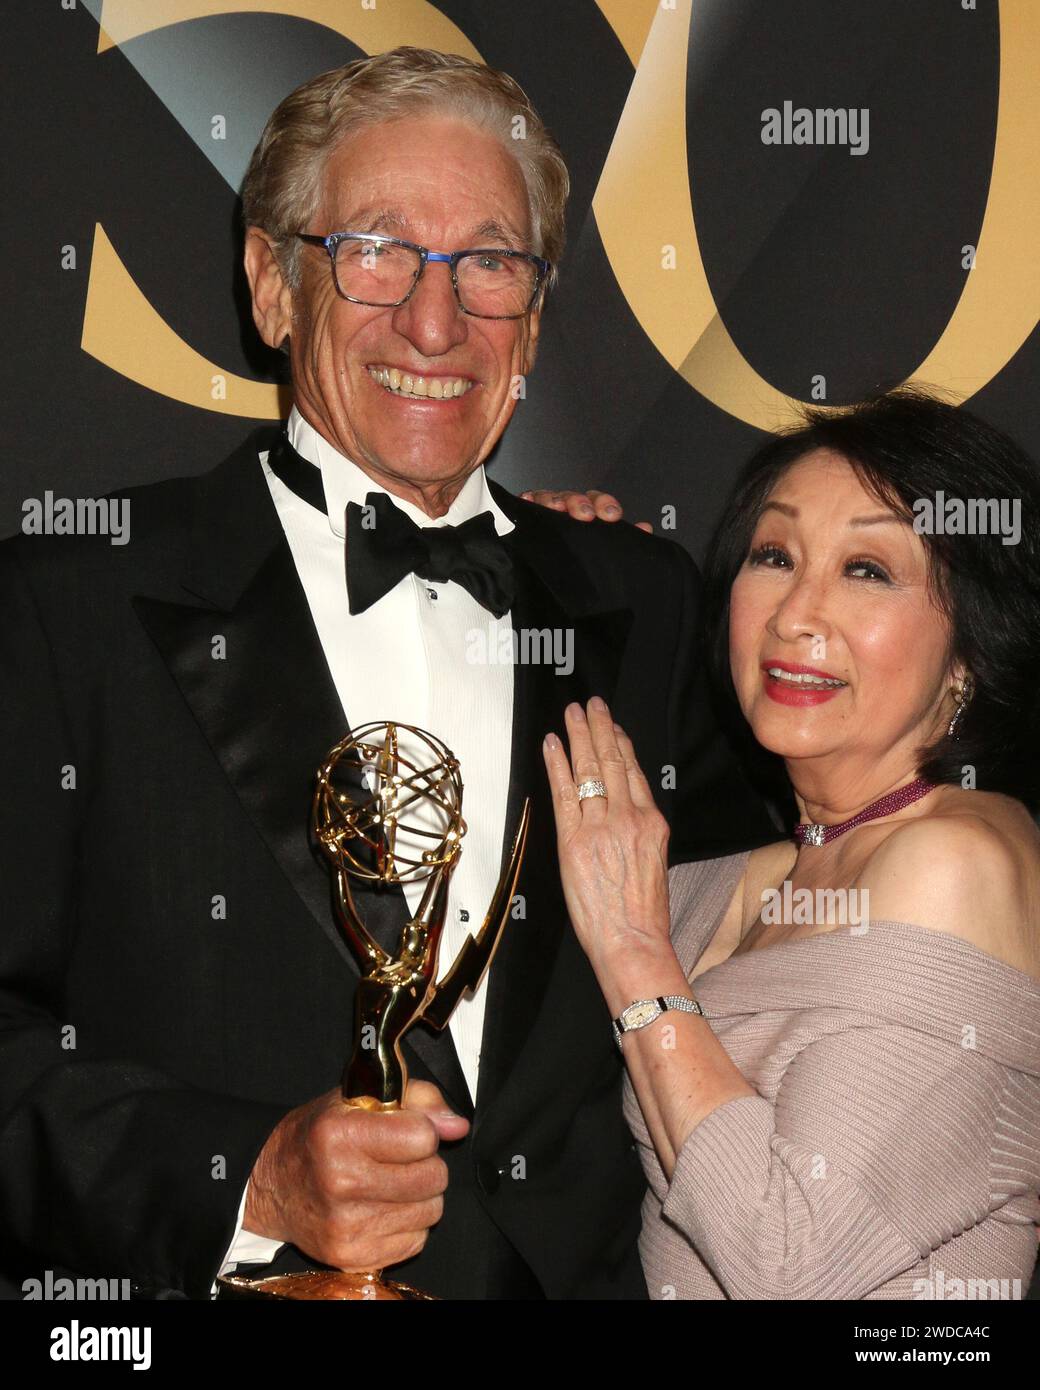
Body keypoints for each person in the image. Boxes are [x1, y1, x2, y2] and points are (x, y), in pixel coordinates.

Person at [0, 47, 774, 1300]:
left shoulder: (641, 601)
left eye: (489, 261)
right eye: (375, 249)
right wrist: (241, 1176)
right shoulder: (67, 603)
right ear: (272, 283)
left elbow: (783, 946)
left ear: (532, 308)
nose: (435, 319)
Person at [541, 389, 1040, 1299]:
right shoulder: (740, 880)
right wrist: (543, 560)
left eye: (868, 570)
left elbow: (789, 1262)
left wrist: (636, 954)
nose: (796, 613)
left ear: (970, 645)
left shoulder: (956, 860)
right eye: (774, 555)